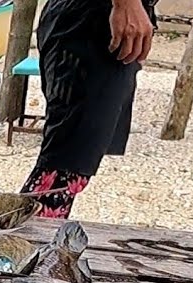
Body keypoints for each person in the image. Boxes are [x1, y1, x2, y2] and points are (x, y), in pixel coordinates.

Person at [19, 0, 158, 219]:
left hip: (102, 20)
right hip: (92, 20)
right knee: (59, 176)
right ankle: (16, 248)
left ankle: (25, 246)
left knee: (69, 170)